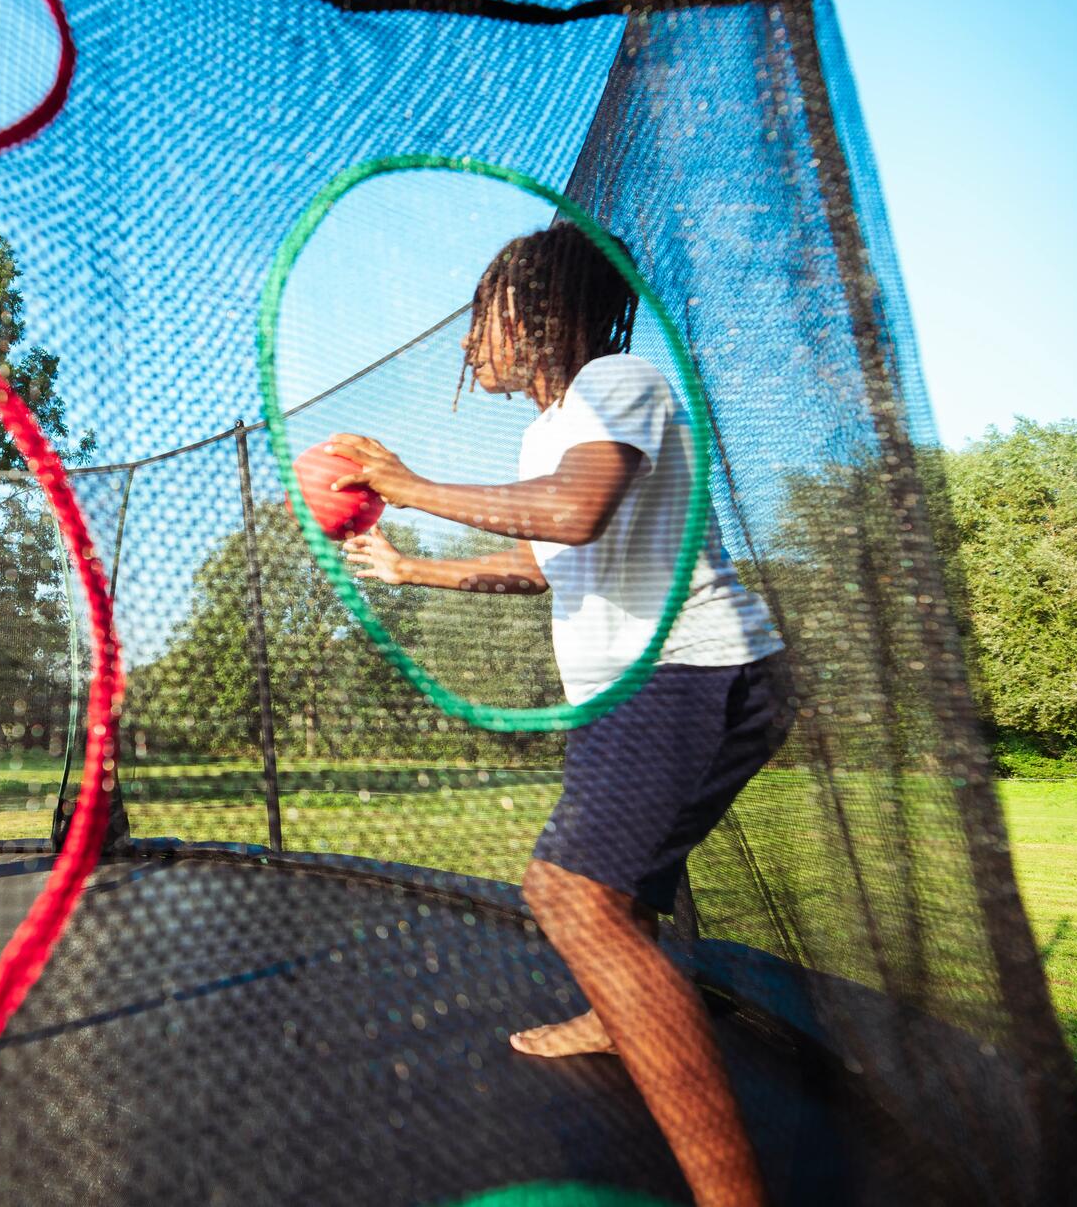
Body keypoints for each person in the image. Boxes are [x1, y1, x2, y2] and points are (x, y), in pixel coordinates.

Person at [330, 221, 790, 1207]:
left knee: (571, 897)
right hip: (637, 692)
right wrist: (410, 564)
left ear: (540, 308)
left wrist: (407, 483)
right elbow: (543, 560)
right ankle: (608, 1013)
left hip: (688, 673)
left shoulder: (615, 384)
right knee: (611, 903)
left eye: (483, 314)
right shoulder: (554, 429)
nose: (468, 341)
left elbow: (575, 511)